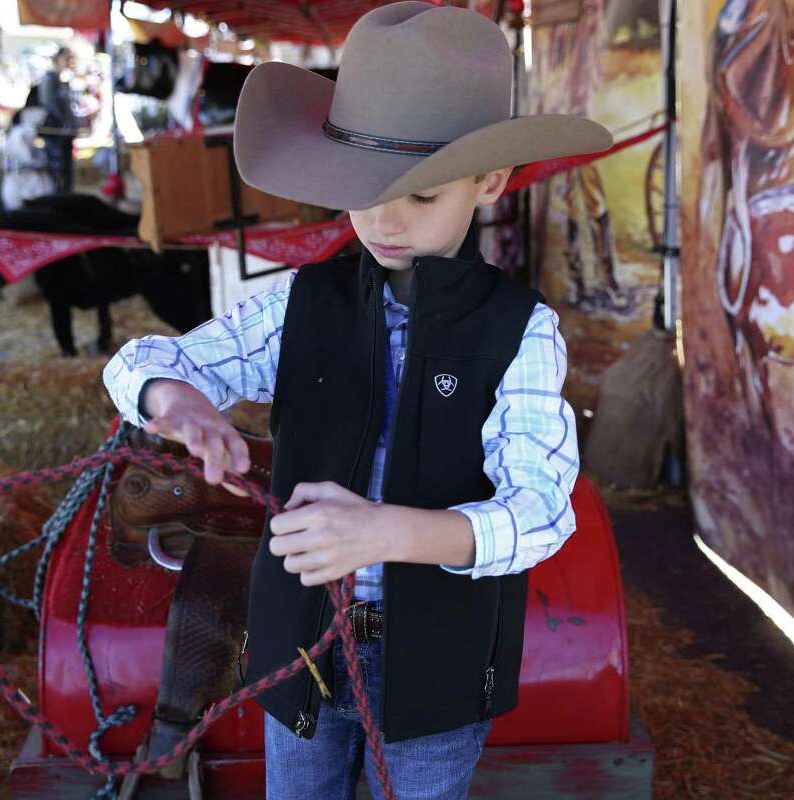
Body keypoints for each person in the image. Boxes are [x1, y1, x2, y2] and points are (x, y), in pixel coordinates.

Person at [102, 3, 612, 798]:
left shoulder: (521, 332)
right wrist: (184, 401)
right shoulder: (300, 303)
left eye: (421, 196)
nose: (382, 219)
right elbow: (146, 359)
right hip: (300, 651)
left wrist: (382, 533)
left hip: (435, 672)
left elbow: (542, 512)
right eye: (362, 189)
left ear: (490, 181)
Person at [35, 46, 79, 192]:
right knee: (57, 168)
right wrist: (65, 124)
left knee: (67, 170)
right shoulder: (49, 79)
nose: (69, 62)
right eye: (66, 58)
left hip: (65, 132)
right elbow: (51, 105)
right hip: (56, 133)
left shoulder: (63, 80)